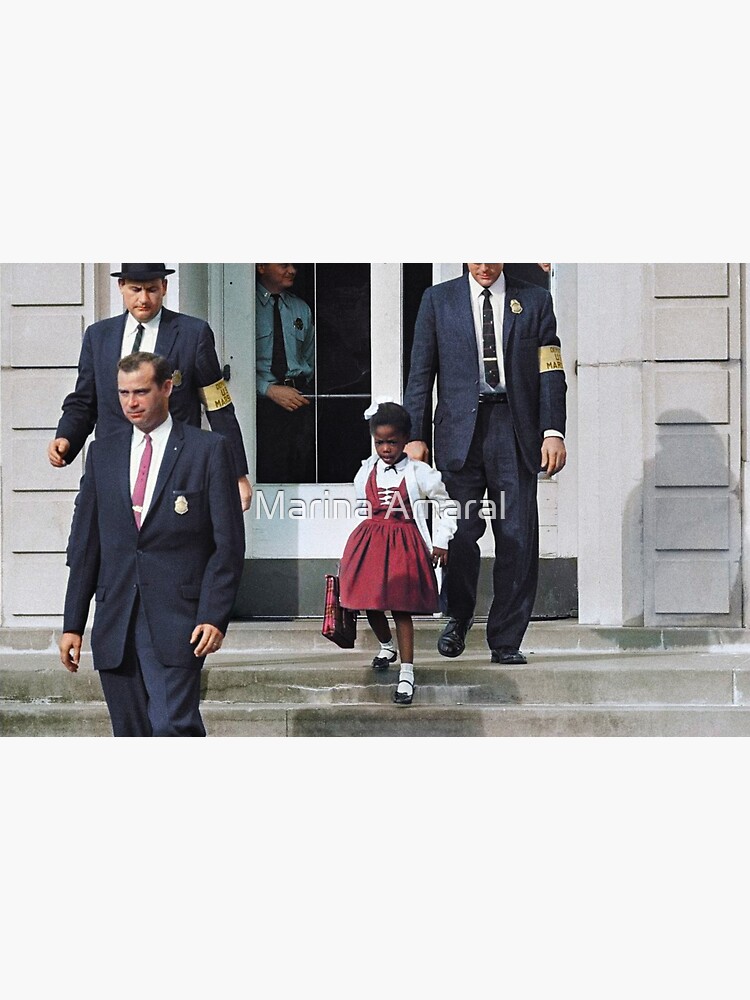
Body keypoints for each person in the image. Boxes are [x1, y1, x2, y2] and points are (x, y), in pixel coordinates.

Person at [58, 352, 246, 737]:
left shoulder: (208, 450)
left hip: (180, 620)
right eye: (124, 393)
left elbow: (227, 545)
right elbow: (86, 544)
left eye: (141, 391)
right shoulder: (102, 452)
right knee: (130, 733)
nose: (132, 402)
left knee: (173, 726)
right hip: (116, 620)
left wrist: (214, 614)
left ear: (166, 388)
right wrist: (73, 623)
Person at [403, 263, 567, 665]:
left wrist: (552, 430)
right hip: (460, 434)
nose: (485, 263)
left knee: (517, 536)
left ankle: (506, 639)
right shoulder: (437, 301)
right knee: (458, 532)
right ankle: (457, 616)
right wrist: (415, 436)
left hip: (516, 431)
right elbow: (421, 373)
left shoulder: (536, 300)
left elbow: (551, 371)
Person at [48, 263, 252, 512]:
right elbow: (84, 400)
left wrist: (237, 473)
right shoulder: (98, 336)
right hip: (113, 468)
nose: (143, 299)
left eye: (152, 289)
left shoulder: (193, 333)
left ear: (164, 287)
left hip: (175, 470)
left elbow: (217, 406)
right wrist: (66, 437)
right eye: (135, 289)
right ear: (121, 286)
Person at [338, 401, 457, 705]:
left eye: (392, 442)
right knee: (369, 602)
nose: (386, 448)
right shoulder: (367, 471)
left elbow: (445, 504)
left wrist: (442, 540)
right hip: (372, 541)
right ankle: (386, 645)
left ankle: (407, 672)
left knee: (401, 607)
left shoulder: (420, 473)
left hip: (404, 542)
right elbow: (362, 502)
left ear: (406, 440)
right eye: (380, 442)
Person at [255, 263, 316, 482]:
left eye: (294, 264)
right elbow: (233, 362)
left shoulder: (301, 309)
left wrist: (300, 389)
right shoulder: (245, 306)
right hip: (260, 406)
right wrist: (267, 389)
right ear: (261, 266)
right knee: (268, 472)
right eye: (283, 264)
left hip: (298, 402)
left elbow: (308, 357)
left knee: (302, 471)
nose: (292, 270)